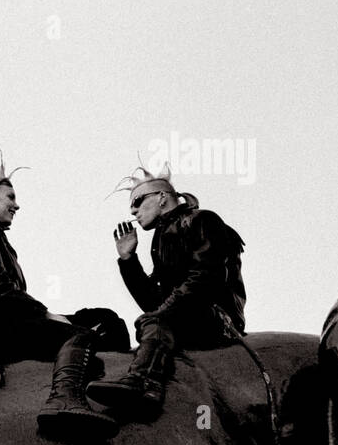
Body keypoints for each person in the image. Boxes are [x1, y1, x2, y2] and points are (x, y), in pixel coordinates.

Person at [0, 145, 121, 442]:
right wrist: (45, 313)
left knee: (105, 319)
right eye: (10, 197)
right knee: (80, 335)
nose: (16, 205)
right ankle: (64, 400)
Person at [86, 163, 246, 420]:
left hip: (217, 318)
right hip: (185, 315)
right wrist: (128, 260)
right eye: (131, 206)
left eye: (138, 201)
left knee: (156, 322)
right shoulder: (160, 239)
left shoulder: (201, 220)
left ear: (162, 197)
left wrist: (160, 315)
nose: (133, 211)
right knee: (154, 320)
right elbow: (153, 302)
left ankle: (143, 383)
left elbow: (205, 277)